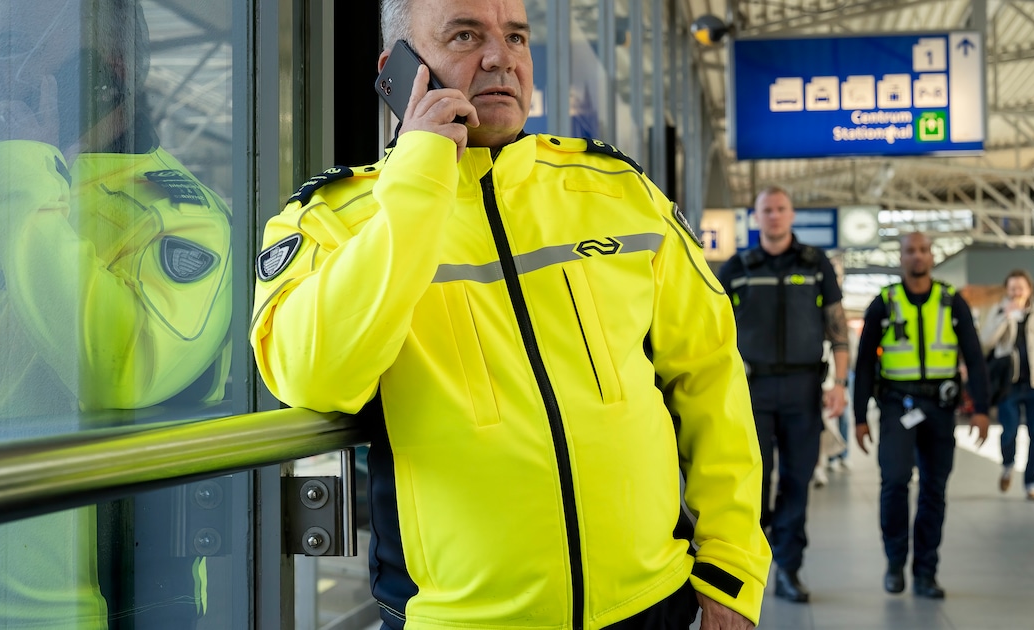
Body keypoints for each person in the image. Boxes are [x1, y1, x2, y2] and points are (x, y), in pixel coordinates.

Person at [250, 0, 771, 628]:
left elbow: (711, 376)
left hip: (653, 604)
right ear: (397, 69)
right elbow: (314, 375)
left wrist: (731, 569)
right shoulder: (331, 221)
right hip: (459, 620)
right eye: (466, 35)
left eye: (516, 37)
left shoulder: (618, 192)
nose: (501, 58)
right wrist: (419, 181)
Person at [0, 0, 232, 626]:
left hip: (75, 614)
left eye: (7, 50)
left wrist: (26, 172)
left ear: (105, 72)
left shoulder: (176, 219)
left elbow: (122, 374)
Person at [716, 185, 848, 603]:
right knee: (754, 482)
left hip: (803, 391)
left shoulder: (814, 264)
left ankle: (789, 571)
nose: (774, 216)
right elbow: (715, 332)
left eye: (780, 209)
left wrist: (840, 384)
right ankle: (751, 568)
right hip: (750, 390)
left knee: (797, 479)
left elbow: (838, 328)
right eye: (766, 210)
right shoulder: (737, 266)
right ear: (756, 218)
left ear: (791, 215)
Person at [853, 232, 989, 600]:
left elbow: (975, 358)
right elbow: (864, 364)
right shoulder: (884, 303)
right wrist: (859, 416)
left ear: (932, 256)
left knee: (934, 489)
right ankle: (895, 562)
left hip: (941, 408)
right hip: (897, 405)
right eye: (911, 251)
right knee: (894, 482)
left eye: (924, 250)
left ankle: (926, 571)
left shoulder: (951, 301)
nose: (918, 256)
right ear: (901, 257)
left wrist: (982, 409)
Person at [979, 269, 1034, 502]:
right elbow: (986, 342)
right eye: (1012, 288)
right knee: (1009, 432)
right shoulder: (997, 311)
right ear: (1007, 290)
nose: (1016, 292)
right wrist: (1005, 316)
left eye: (1020, 288)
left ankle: (1031, 483)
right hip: (1009, 385)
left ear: (1029, 290)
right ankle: (1008, 465)